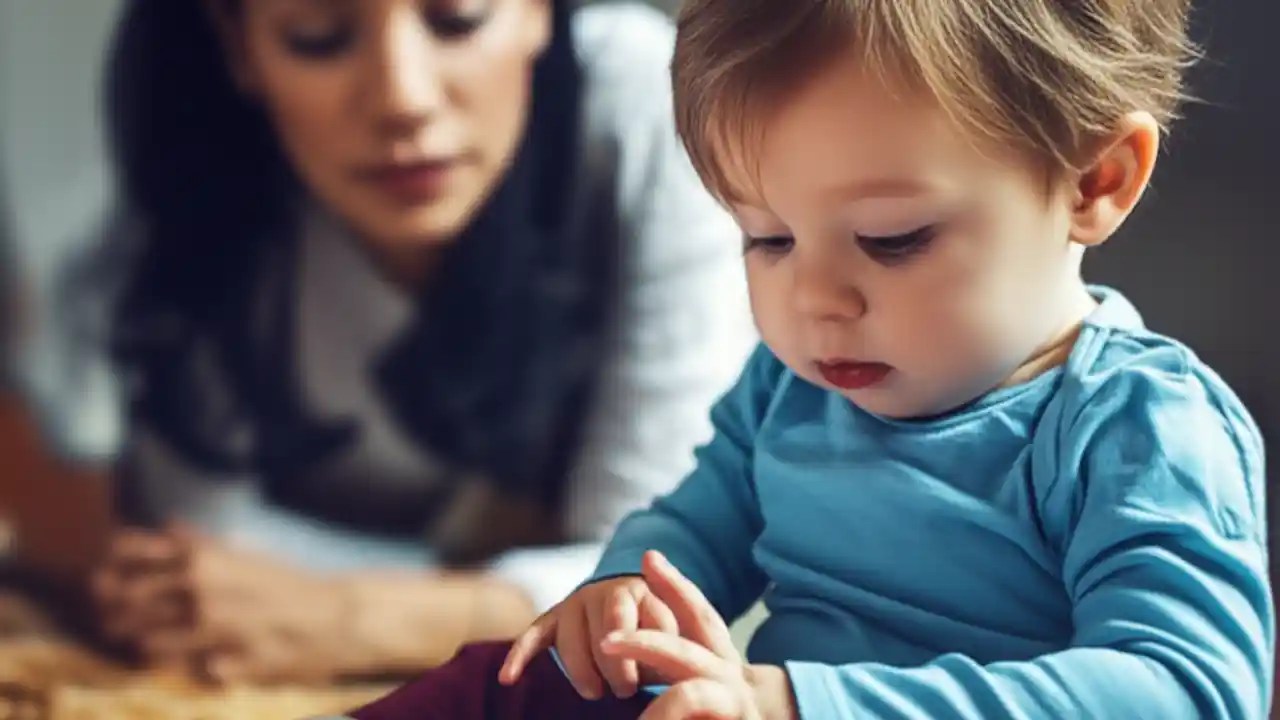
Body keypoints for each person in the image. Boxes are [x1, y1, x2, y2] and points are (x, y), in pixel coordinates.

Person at [343, 0, 1274, 717]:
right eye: (769, 239)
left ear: (1093, 181)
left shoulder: (1137, 425)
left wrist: (803, 702)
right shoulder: (797, 382)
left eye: (892, 238)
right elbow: (696, 528)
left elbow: (1184, 687)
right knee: (515, 677)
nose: (815, 300)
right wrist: (625, 590)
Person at [75, 0, 755, 684]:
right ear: (239, 47)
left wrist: (353, 617)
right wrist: (522, 589)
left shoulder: (647, 98)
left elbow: (659, 581)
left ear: (539, 12)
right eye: (320, 38)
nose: (403, 99)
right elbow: (193, 572)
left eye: (458, 20)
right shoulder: (198, 166)